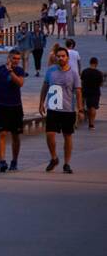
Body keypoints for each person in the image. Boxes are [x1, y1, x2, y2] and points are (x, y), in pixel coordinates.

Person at [39, 45, 82, 174]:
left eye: (63, 56)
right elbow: (45, 86)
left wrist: (80, 110)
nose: (61, 58)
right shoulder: (51, 70)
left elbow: (78, 92)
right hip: (53, 108)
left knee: (67, 136)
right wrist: (41, 102)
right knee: (50, 134)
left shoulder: (73, 73)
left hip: (68, 110)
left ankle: (67, 163)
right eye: (58, 56)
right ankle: (54, 158)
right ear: (55, 57)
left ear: (68, 58)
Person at [0, 48, 26, 172]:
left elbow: (20, 83)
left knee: (15, 136)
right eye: (14, 58)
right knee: (2, 133)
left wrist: (11, 72)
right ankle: (2, 161)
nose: (16, 61)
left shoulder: (19, 70)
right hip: (2, 106)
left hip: (16, 107)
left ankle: (14, 161)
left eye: (18, 59)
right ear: (8, 58)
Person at [82, 58, 102, 130]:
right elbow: (100, 84)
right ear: (96, 63)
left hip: (86, 91)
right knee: (93, 107)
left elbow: (82, 81)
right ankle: (91, 124)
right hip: (95, 92)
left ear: (90, 63)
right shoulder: (99, 73)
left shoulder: (85, 71)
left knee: (88, 106)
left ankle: (88, 121)